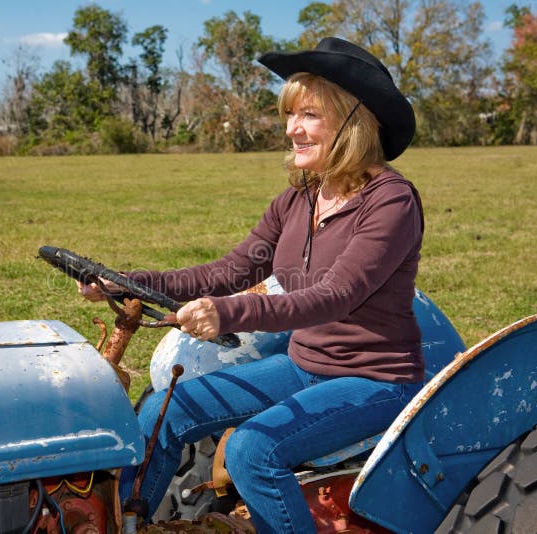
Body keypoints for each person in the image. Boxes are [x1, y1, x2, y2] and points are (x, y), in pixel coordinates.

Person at [79, 37, 424, 533]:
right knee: (162, 411)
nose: (291, 129)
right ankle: (128, 526)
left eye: (308, 115)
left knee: (251, 451)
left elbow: (335, 296)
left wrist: (228, 313)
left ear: (353, 121)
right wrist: (127, 282)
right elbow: (228, 271)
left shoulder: (391, 201)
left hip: (377, 381)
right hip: (304, 366)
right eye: (289, 115)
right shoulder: (298, 200)